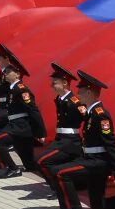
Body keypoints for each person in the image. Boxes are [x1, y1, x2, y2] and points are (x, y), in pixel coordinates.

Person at [50, 70, 115, 209]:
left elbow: (110, 143)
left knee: (61, 173)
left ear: (90, 92)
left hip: (98, 162)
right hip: (90, 159)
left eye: (81, 91)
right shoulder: (91, 113)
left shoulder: (100, 115)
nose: (77, 93)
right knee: (99, 208)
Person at [0, 46, 46, 178]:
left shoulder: (21, 89)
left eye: (9, 72)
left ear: (17, 74)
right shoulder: (13, 89)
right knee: (30, 164)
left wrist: (40, 132)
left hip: (20, 126)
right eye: (6, 71)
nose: (5, 73)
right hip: (16, 125)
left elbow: (33, 110)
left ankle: (13, 168)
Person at [37, 63, 87, 199]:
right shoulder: (59, 99)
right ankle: (58, 186)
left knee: (42, 161)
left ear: (65, 83)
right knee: (41, 160)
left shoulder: (74, 101)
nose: (52, 85)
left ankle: (58, 187)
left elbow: (88, 119)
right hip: (61, 139)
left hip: (70, 141)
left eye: (55, 83)